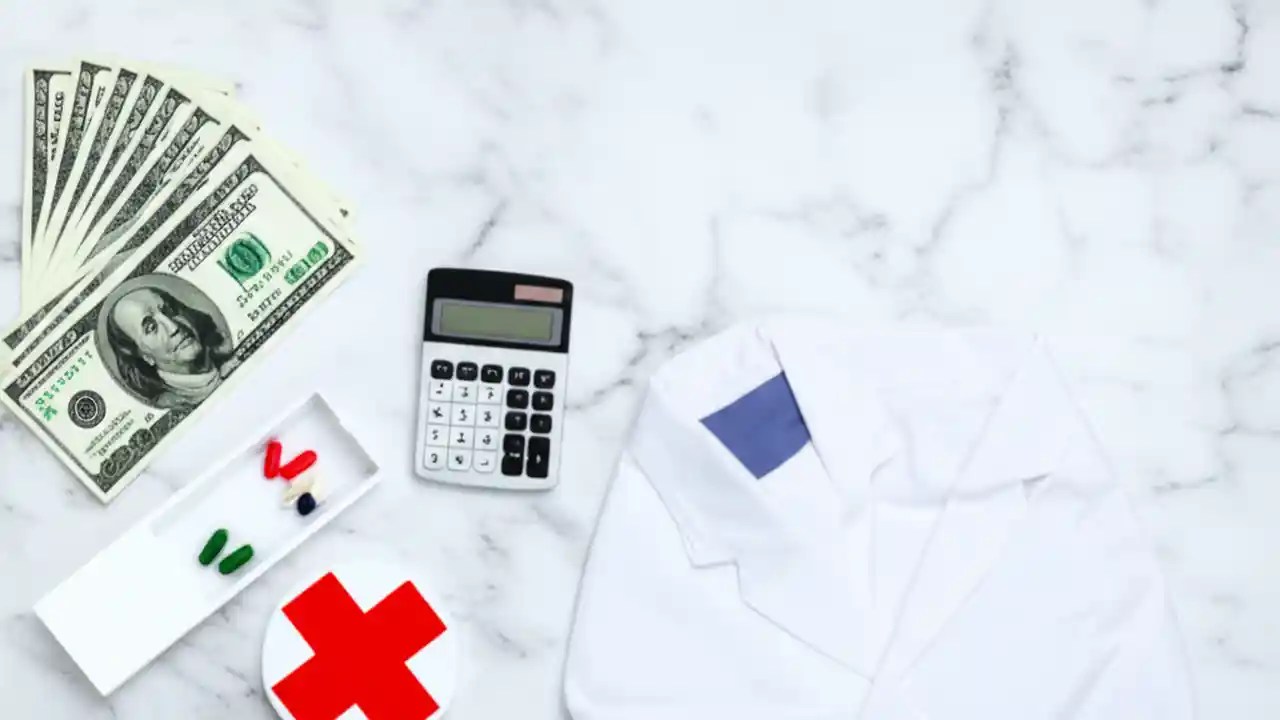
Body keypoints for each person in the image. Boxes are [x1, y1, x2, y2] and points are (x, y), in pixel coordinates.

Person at [105, 285, 237, 409]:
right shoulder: (171, 403)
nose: (173, 327)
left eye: (169, 310)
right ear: (144, 356)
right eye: (151, 328)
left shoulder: (226, 354)